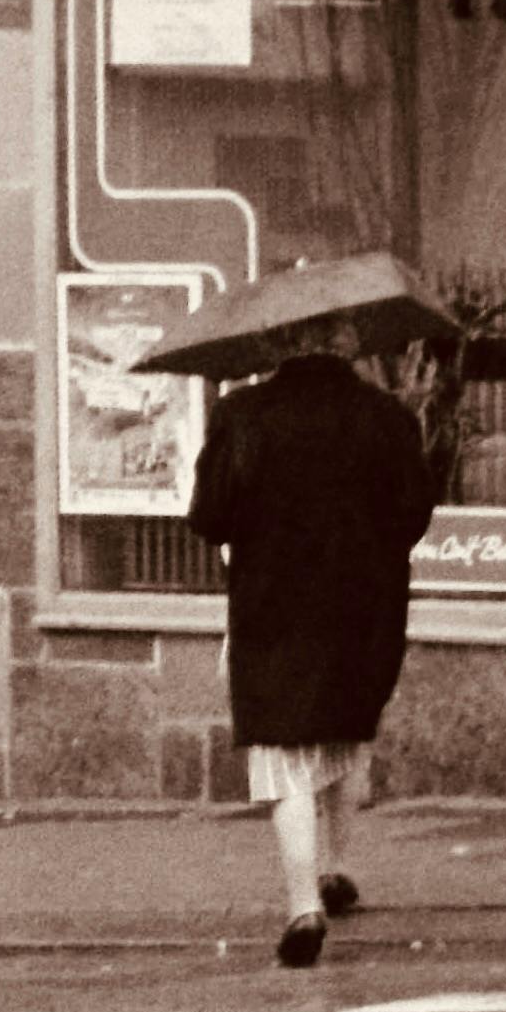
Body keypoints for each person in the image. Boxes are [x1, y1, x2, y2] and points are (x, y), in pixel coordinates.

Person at [186, 315, 438, 970]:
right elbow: (414, 513)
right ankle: (336, 865)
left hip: (274, 605)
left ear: (276, 343)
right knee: (345, 734)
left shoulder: (242, 414)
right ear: (348, 341)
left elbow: (209, 516)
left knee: (283, 751)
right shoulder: (386, 417)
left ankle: (303, 908)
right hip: (365, 605)